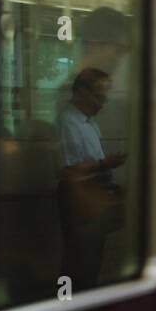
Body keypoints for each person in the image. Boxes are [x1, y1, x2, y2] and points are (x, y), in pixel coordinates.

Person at [58, 68, 126, 291]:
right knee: (78, 259)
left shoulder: (89, 122)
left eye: (105, 97)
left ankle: (83, 302)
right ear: (80, 93)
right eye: (99, 96)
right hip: (78, 195)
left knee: (91, 258)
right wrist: (105, 164)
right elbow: (71, 170)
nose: (102, 103)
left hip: (92, 193)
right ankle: (67, 304)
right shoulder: (69, 122)